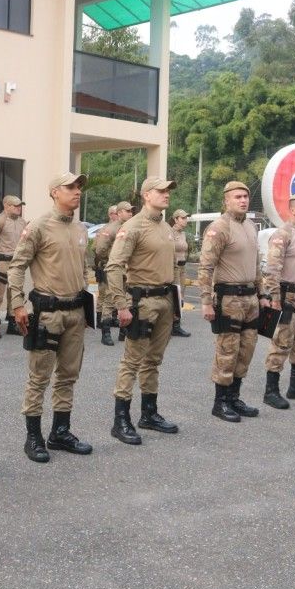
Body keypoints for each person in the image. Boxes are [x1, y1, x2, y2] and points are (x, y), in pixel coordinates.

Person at [9, 171, 93, 462]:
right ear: (54, 192)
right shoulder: (39, 226)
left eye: (79, 187)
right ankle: (33, 437)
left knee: (68, 375)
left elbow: (83, 269)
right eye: (70, 187)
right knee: (39, 377)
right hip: (48, 313)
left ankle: (60, 432)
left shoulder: (81, 228)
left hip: (75, 312)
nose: (77, 191)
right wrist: (18, 305)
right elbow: (17, 266)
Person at [105, 177, 180, 444]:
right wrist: (121, 305)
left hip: (165, 300)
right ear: (146, 195)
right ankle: (120, 420)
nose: (166, 195)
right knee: (132, 361)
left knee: (153, 361)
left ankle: (149, 413)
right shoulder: (133, 226)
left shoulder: (165, 227)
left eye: (168, 191)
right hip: (142, 301)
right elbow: (114, 266)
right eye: (161, 191)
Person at [197, 181, 263, 423]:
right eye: (237, 197)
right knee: (228, 350)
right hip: (229, 298)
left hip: (250, 297)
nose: (243, 200)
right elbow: (206, 266)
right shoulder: (219, 228)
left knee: (246, 349)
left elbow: (256, 263)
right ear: (226, 200)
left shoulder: (250, 225)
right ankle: (220, 402)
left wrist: (263, 293)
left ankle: (235, 397)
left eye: (245, 196)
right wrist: (205, 301)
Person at [261, 194, 295, 409]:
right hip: (287, 296)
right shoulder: (282, 234)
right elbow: (272, 268)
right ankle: (271, 390)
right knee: (281, 342)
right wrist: (274, 296)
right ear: (292, 209)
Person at [0, 195, 26, 337]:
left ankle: (13, 323)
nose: (18, 208)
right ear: (6, 206)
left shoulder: (22, 222)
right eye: (15, 205)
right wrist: (1, 249)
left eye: (20, 205)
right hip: (2, 261)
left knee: (15, 292)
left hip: (17, 262)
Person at [94, 201, 133, 346]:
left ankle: (124, 331)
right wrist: (109, 261)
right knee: (110, 300)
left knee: (128, 299)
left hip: (128, 269)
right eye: (127, 211)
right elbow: (99, 249)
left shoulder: (130, 227)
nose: (130, 213)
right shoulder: (111, 229)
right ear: (119, 213)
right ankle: (106, 332)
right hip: (113, 268)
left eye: (131, 211)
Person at [170, 209, 192, 337]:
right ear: (176, 219)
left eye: (186, 218)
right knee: (176, 296)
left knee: (182, 295)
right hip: (174, 267)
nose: (185, 220)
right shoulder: (170, 232)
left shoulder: (183, 234)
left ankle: (176, 323)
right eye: (183, 218)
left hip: (183, 267)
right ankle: (174, 325)